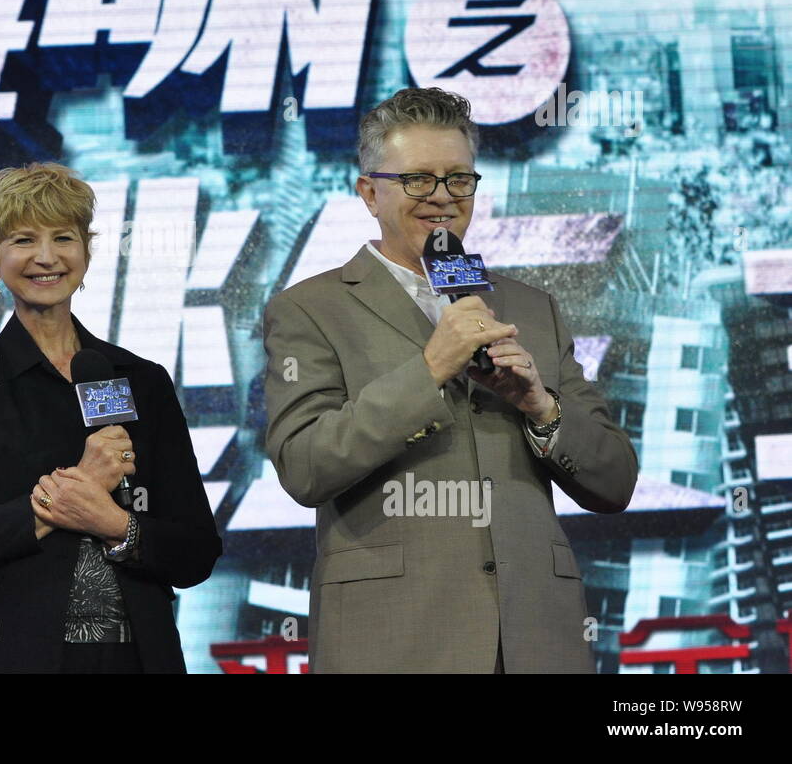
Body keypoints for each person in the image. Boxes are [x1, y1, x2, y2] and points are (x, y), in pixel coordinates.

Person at [261, 87, 638, 673]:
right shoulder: (309, 309)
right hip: (394, 639)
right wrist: (430, 369)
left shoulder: (530, 307)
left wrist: (543, 411)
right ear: (369, 192)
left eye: (459, 179)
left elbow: (616, 480)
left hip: (536, 640)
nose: (441, 197)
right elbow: (305, 464)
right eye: (417, 180)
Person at [0, 162, 222, 673]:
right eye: (22, 240)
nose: (45, 257)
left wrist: (115, 524)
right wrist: (75, 492)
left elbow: (195, 551)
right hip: (8, 654)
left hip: (135, 656)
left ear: (86, 250)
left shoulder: (140, 379)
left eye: (63, 237)